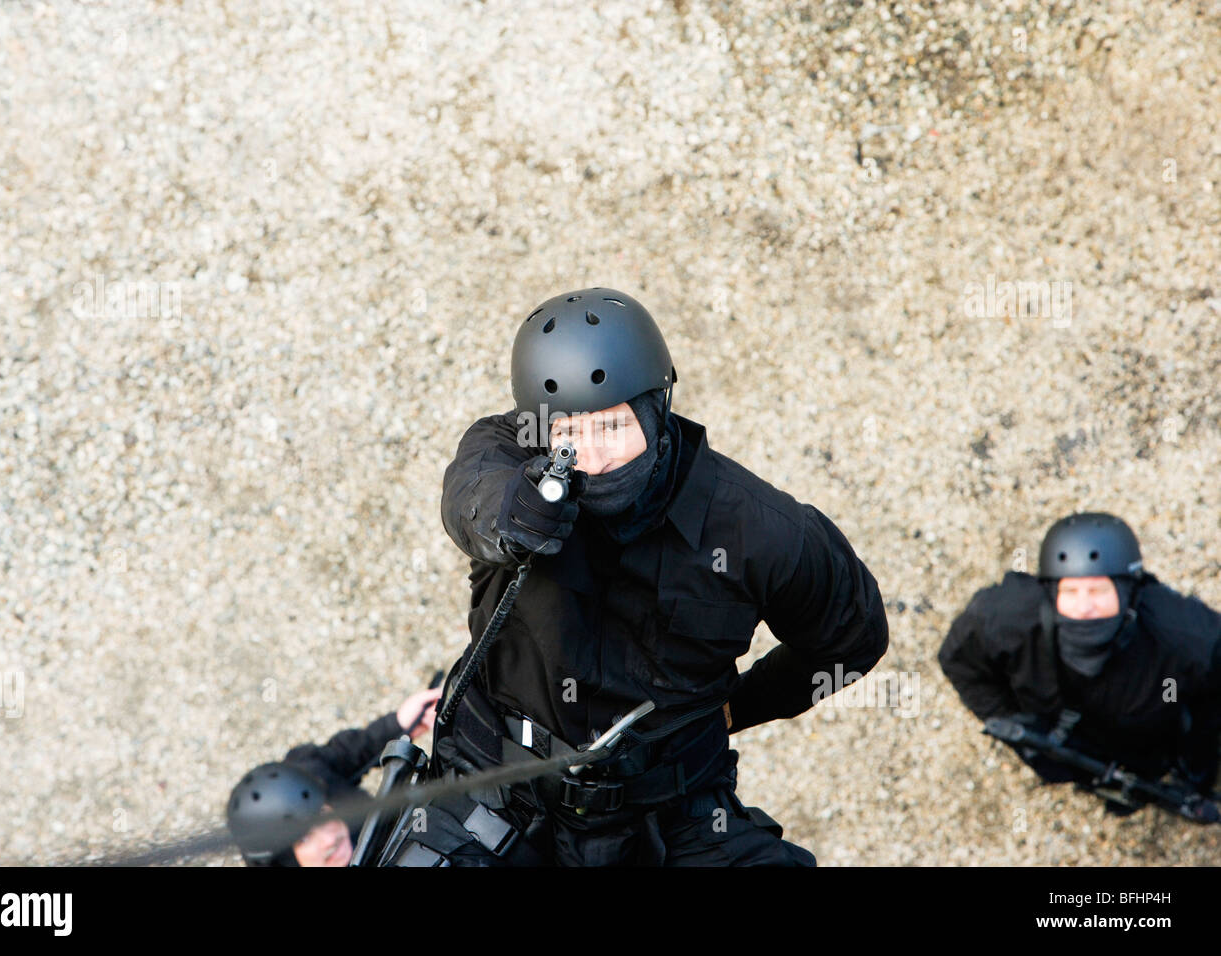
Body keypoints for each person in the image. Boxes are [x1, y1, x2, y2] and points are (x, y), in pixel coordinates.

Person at [384, 287, 888, 866]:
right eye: (569, 434)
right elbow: (472, 496)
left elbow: (851, 639)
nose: (594, 459)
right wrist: (513, 517)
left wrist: (741, 707)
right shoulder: (503, 455)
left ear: (656, 408)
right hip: (491, 790)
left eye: (614, 427)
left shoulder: (763, 529)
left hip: (673, 812)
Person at [939, 512, 1221, 815]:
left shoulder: (1184, 635)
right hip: (1063, 741)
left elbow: (1212, 696)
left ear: (1127, 590)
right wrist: (1009, 719)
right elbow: (960, 662)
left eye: (1098, 590)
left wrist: (1193, 772)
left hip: (1152, 739)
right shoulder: (1005, 619)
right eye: (1070, 591)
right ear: (1050, 591)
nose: (1085, 607)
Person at [226, 686, 441, 866]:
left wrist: (398, 725)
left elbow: (347, 754)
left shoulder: (310, 773)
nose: (330, 839)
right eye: (303, 837)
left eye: (320, 813)